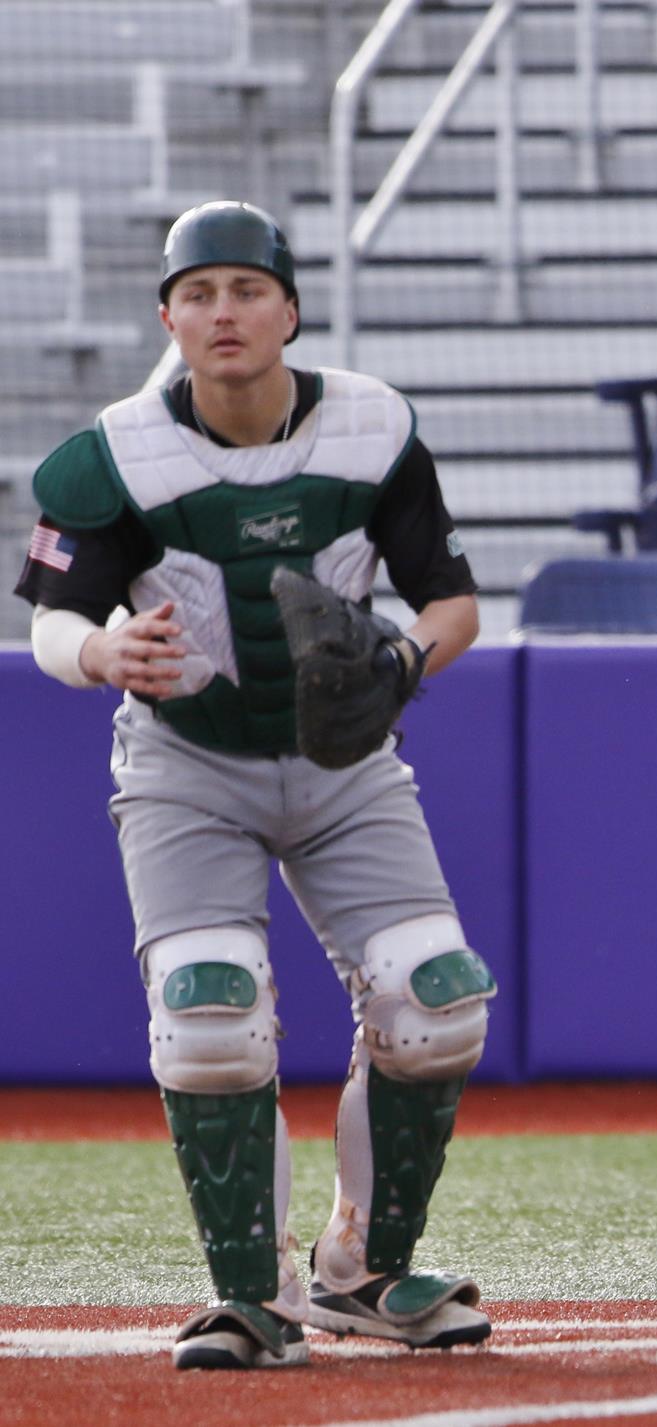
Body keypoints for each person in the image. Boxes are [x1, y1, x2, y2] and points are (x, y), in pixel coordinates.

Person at [12, 201, 496, 1367]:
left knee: (436, 999)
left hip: (344, 763)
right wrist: (101, 651)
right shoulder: (113, 455)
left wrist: (401, 662)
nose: (222, 312)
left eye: (245, 289)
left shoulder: (373, 426)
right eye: (198, 293)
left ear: (289, 309)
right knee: (208, 1015)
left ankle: (362, 1270)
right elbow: (52, 620)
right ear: (168, 320)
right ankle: (251, 1296)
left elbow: (452, 603)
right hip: (186, 764)